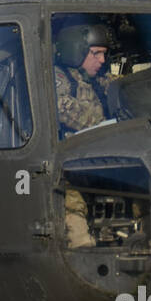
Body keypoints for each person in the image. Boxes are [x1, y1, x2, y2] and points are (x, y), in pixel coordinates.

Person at [53, 22, 114, 248]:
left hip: (100, 163)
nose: (102, 61)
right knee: (73, 210)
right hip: (69, 166)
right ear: (75, 50)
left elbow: (125, 91)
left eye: (104, 55)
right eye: (96, 53)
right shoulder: (59, 79)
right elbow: (62, 108)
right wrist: (105, 125)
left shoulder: (98, 81)